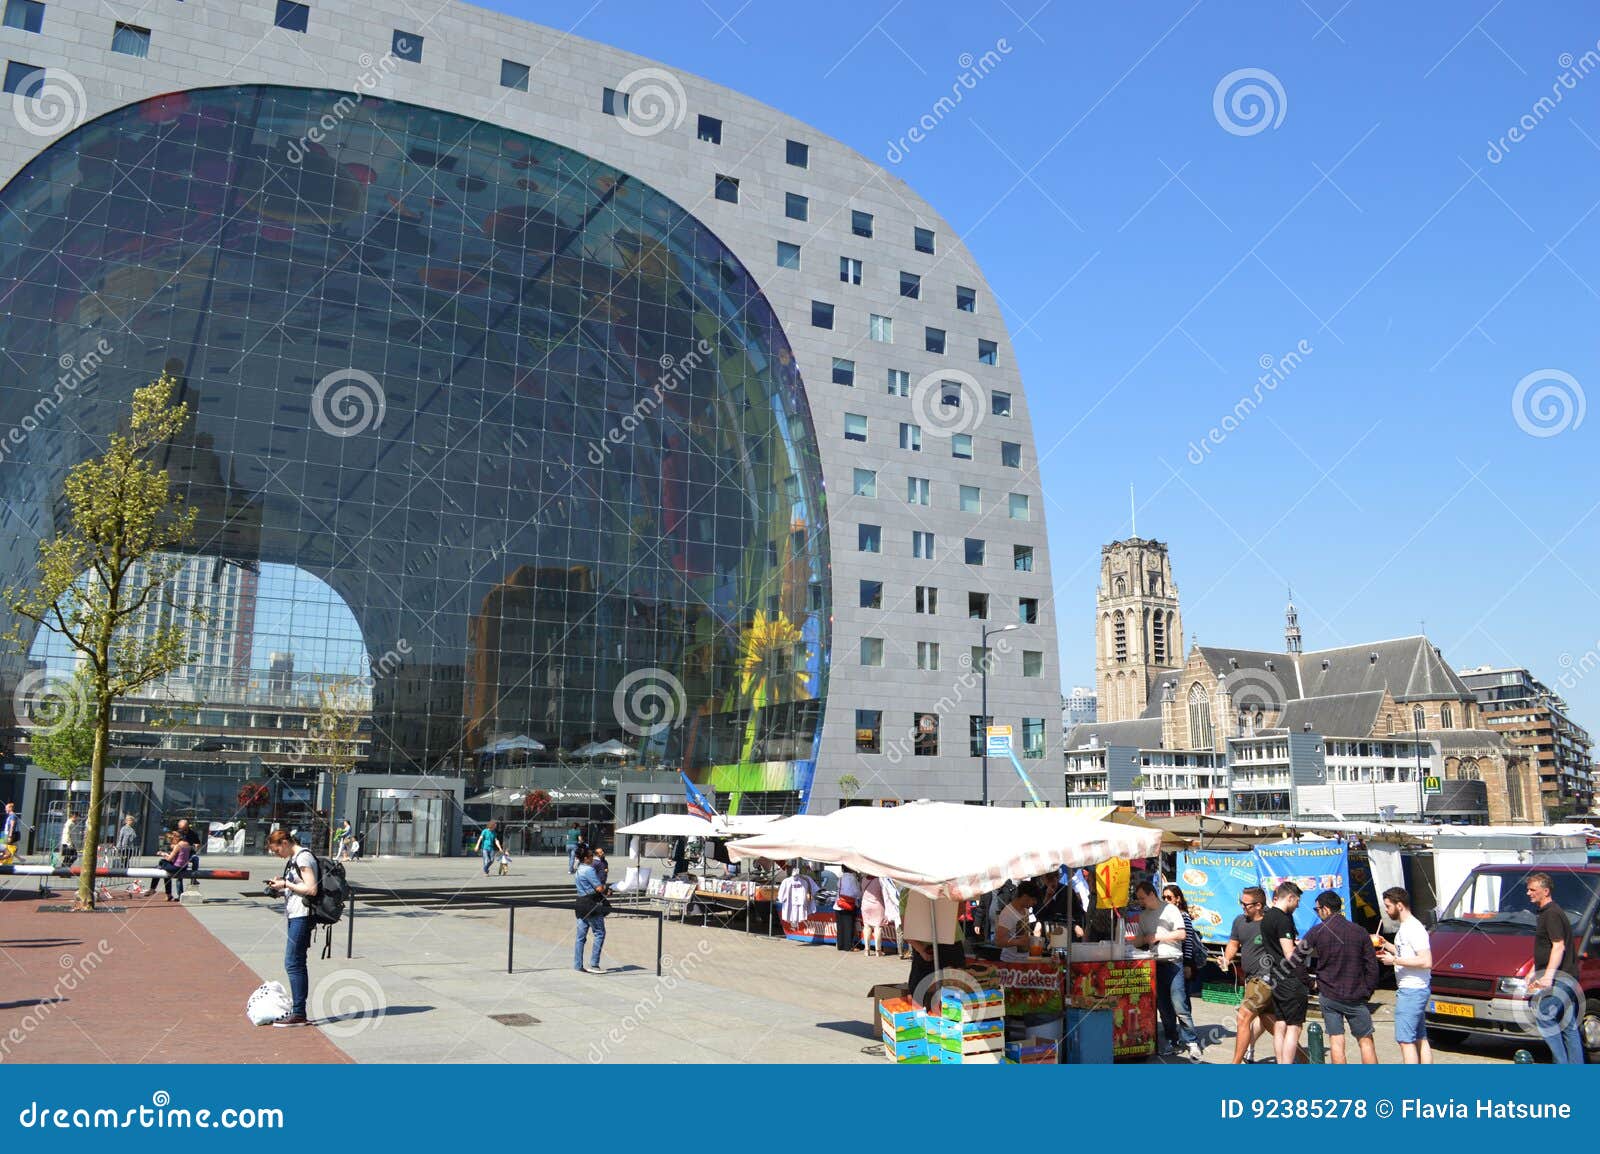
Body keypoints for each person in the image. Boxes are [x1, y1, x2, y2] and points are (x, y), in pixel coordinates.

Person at [1302, 890, 1379, 1064]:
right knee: (1366, 1041)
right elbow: (1372, 966)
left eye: (1317, 909)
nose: (1317, 913)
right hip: (1356, 995)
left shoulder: (1317, 931)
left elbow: (1295, 959)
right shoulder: (1360, 931)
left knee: (1336, 1041)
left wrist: (1311, 983)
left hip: (1329, 994)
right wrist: (1367, 991)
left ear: (1326, 909)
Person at [1134, 880, 1202, 1060]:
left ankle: (1191, 1041)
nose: (1140, 901)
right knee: (1163, 1006)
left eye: (1142, 898)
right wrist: (1141, 940)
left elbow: (1182, 934)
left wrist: (1158, 936)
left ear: (1151, 894)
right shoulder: (1143, 916)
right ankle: (1172, 1039)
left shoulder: (1170, 909)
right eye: (1138, 898)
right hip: (1155, 962)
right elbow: (1138, 940)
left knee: (1180, 1004)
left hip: (1173, 961)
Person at [1525, 872, 1584, 1064]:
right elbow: (1546, 948)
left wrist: (1548, 976)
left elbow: (1559, 946)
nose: (1528, 893)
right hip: (1562, 976)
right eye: (1528, 889)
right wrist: (1533, 971)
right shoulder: (1545, 913)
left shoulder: (1551, 914)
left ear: (1546, 891)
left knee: (1544, 1016)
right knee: (1568, 1026)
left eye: (1532, 890)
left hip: (1562, 977)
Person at [265, 828, 320, 1027]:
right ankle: (299, 1012)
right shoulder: (295, 858)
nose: (277, 855)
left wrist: (286, 885)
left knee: (293, 963)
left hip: (302, 916)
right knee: (297, 962)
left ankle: (299, 1013)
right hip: (296, 914)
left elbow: (311, 888)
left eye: (277, 850)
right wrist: (280, 886)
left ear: (285, 843)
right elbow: (299, 886)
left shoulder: (303, 858)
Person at [1377, 886, 1432, 1064]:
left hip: (1412, 990)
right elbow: (1406, 953)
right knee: (1420, 1037)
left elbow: (1426, 961)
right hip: (1414, 989)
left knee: (1405, 1040)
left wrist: (1394, 961)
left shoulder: (1413, 928)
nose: (1386, 910)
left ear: (1399, 905)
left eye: (1388, 906)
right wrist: (1386, 945)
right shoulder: (1406, 927)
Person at [1222, 886, 1275, 1063]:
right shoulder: (1239, 921)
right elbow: (1233, 943)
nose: (1242, 907)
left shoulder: (1271, 921)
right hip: (1251, 979)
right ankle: (1305, 1059)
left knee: (1243, 1016)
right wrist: (1227, 959)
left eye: (1246, 904)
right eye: (1241, 903)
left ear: (1259, 905)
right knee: (1270, 1022)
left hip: (1266, 978)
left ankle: (1235, 1064)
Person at [1260, 881, 1308, 1066]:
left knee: (1280, 1024)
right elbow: (1289, 954)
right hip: (1290, 980)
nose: (1298, 905)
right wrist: (1307, 948)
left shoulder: (1267, 917)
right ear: (1290, 897)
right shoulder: (1283, 919)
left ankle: (1281, 1063)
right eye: (1297, 901)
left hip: (1275, 977)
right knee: (1294, 1027)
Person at [903, 889, 967, 1009]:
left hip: (929, 946)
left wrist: (921, 950)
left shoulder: (908, 891)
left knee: (921, 993)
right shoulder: (949, 888)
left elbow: (906, 928)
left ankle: (928, 1015)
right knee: (954, 991)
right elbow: (960, 909)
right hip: (947, 943)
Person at [573, 847, 608, 973]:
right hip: (591, 903)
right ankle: (594, 964)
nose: (593, 858)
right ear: (586, 858)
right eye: (591, 856)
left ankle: (578, 964)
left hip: (580, 902)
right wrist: (606, 889)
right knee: (599, 933)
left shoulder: (578, 869)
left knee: (580, 936)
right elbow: (599, 888)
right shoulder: (589, 870)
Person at [993, 881, 1043, 961]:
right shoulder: (1007, 913)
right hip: (1010, 961)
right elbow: (999, 941)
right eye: (1033, 899)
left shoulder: (1026, 910)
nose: (1035, 903)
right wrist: (1018, 942)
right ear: (1025, 897)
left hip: (1024, 959)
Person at [152, 831, 193, 901]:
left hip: (176, 868)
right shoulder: (188, 845)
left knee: (160, 864)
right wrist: (168, 854)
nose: (171, 841)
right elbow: (180, 858)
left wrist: (162, 854)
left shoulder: (178, 846)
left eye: (172, 838)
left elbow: (169, 859)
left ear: (176, 838)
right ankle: (168, 894)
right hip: (184, 867)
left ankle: (153, 888)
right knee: (165, 873)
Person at [860, 876, 890, 957]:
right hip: (877, 905)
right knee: (878, 927)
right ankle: (878, 951)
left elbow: (862, 892)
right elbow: (884, 894)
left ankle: (867, 950)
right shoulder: (880, 880)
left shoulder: (863, 879)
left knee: (866, 926)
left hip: (865, 905)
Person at [879, 874, 908, 958]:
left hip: (898, 908)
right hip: (897, 909)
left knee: (902, 930)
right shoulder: (886, 880)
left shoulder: (886, 881)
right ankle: (902, 952)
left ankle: (903, 952)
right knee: (902, 930)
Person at [834, 867, 862, 952]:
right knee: (848, 926)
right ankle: (848, 946)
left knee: (840, 927)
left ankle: (840, 945)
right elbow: (856, 892)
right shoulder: (852, 878)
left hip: (839, 904)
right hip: (848, 904)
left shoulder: (841, 877)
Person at [175, 818, 201, 890]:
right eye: (181, 829)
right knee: (180, 875)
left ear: (187, 826)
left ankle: (193, 878)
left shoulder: (193, 833)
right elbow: (172, 845)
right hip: (179, 855)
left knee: (195, 858)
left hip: (190, 853)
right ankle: (180, 893)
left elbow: (198, 843)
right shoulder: (177, 834)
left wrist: (197, 845)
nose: (183, 831)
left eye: (185, 829)